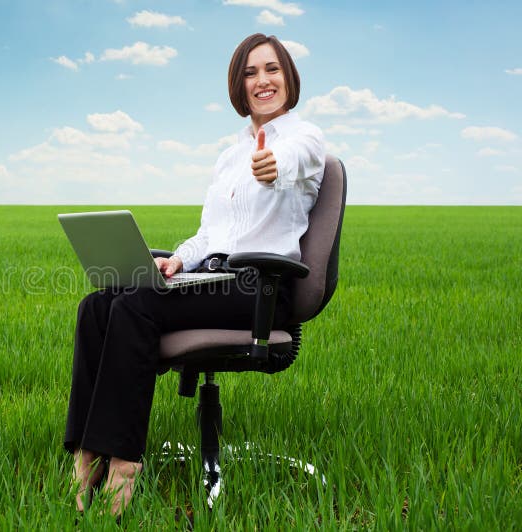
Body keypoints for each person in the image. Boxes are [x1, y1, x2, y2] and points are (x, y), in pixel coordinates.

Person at [64, 33, 326, 516]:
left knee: (136, 305)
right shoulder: (229, 157)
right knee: (98, 305)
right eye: (250, 73)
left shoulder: (304, 139)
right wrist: (178, 261)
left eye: (271, 69)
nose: (262, 81)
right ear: (238, 85)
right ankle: (86, 455)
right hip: (212, 275)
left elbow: (293, 161)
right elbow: (210, 233)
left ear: (289, 76)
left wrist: (273, 166)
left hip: (259, 286)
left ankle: (124, 466)